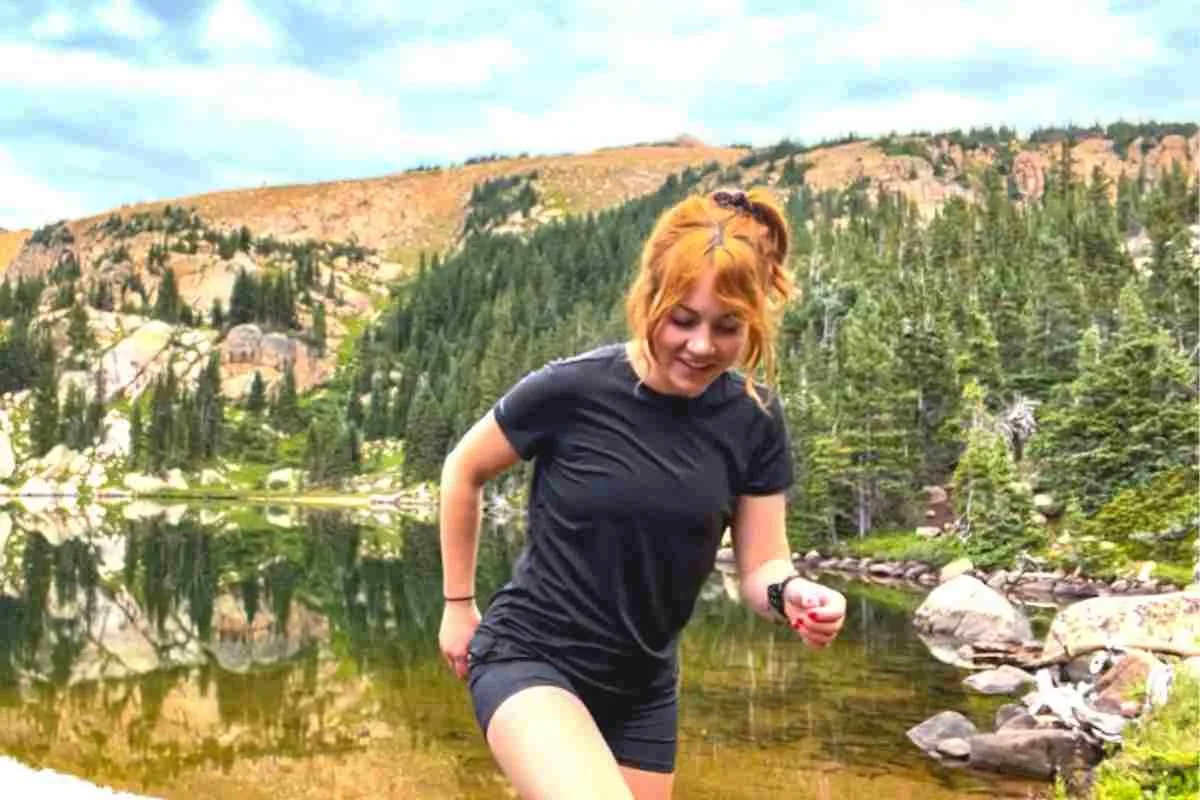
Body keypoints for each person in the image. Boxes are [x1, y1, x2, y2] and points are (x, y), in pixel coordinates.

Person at [438, 186, 848, 800]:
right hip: (532, 657)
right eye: (683, 320)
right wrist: (458, 604)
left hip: (642, 688)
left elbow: (763, 564)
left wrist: (792, 593)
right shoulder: (572, 389)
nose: (701, 345)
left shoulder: (754, 420)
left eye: (727, 327)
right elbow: (462, 470)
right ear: (650, 296)